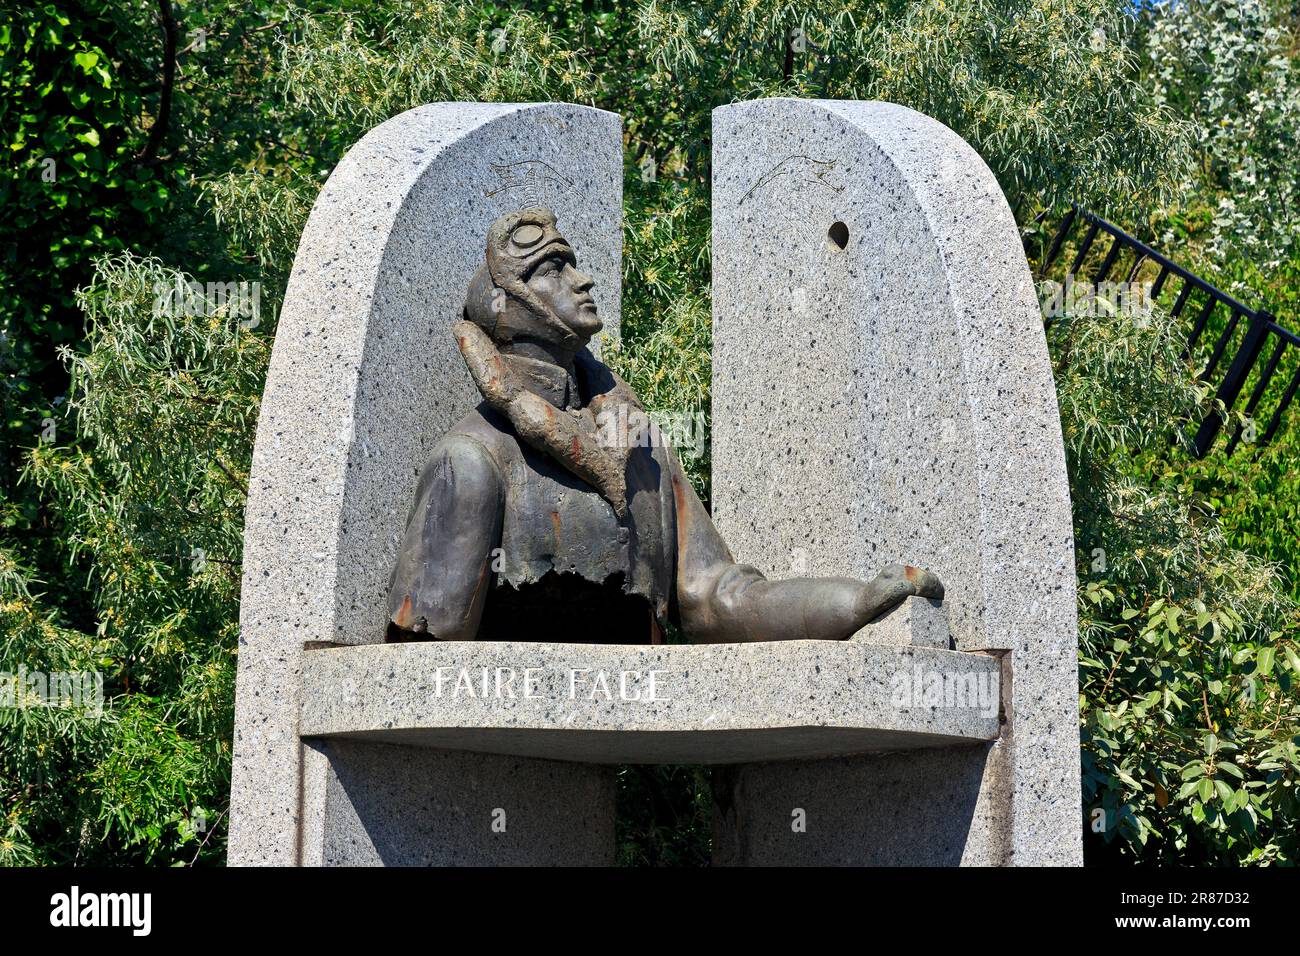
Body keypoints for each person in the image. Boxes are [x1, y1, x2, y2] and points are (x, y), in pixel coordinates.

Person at [387, 207, 942, 644]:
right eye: (554, 269)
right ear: (508, 303)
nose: (581, 281)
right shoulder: (472, 460)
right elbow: (423, 662)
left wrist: (854, 604)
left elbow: (715, 599)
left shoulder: (640, 448)